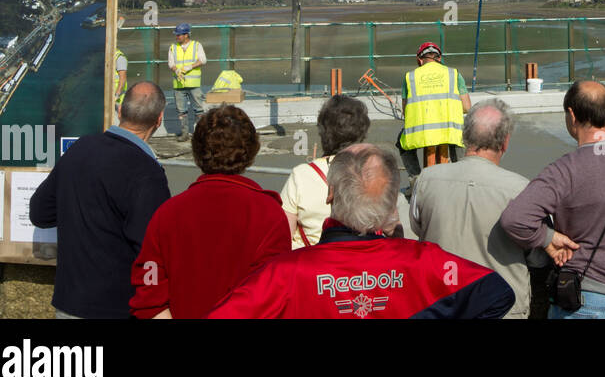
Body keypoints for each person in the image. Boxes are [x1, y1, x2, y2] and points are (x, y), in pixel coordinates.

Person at [210, 144, 514, 319]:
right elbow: (498, 293)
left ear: (330, 195)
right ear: (390, 205)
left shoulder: (285, 273)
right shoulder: (426, 263)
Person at [500, 80, 605, 319]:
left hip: (580, 299)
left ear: (572, 115)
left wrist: (548, 238)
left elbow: (515, 218)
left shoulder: (565, 169)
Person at [130, 105, 289, 319]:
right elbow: (273, 295)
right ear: (251, 151)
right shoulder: (269, 214)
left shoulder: (167, 214)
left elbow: (149, 292)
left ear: (197, 151)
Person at [29, 82, 171, 319]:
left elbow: (40, 213)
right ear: (159, 119)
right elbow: (152, 250)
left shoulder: (80, 149)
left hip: (69, 303)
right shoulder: (148, 172)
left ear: (120, 111)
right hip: (118, 307)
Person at [410, 99, 547, 319]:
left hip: (440, 304)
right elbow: (537, 257)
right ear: (505, 142)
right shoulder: (522, 189)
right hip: (503, 308)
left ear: (464, 137)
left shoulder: (426, 179)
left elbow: (417, 228)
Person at [281, 95, 373, 249]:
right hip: (359, 264)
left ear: (323, 131)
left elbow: (284, 236)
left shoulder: (301, 175)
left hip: (311, 263)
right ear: (362, 132)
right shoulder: (375, 173)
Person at [397, 41, 471, 179]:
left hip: (421, 132)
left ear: (419, 60)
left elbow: (405, 110)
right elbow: (467, 107)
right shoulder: (454, 74)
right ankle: (461, 178)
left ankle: (416, 180)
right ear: (440, 58)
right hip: (450, 130)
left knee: (402, 143)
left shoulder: (410, 76)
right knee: (458, 139)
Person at [167, 23, 207, 138]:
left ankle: (200, 134)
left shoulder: (196, 45)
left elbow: (203, 60)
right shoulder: (173, 47)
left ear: (186, 35)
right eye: (176, 35)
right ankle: (184, 133)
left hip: (193, 84)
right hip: (179, 84)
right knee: (181, 110)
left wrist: (190, 67)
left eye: (179, 35)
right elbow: (171, 63)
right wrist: (177, 70)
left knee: (199, 109)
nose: (177, 37)